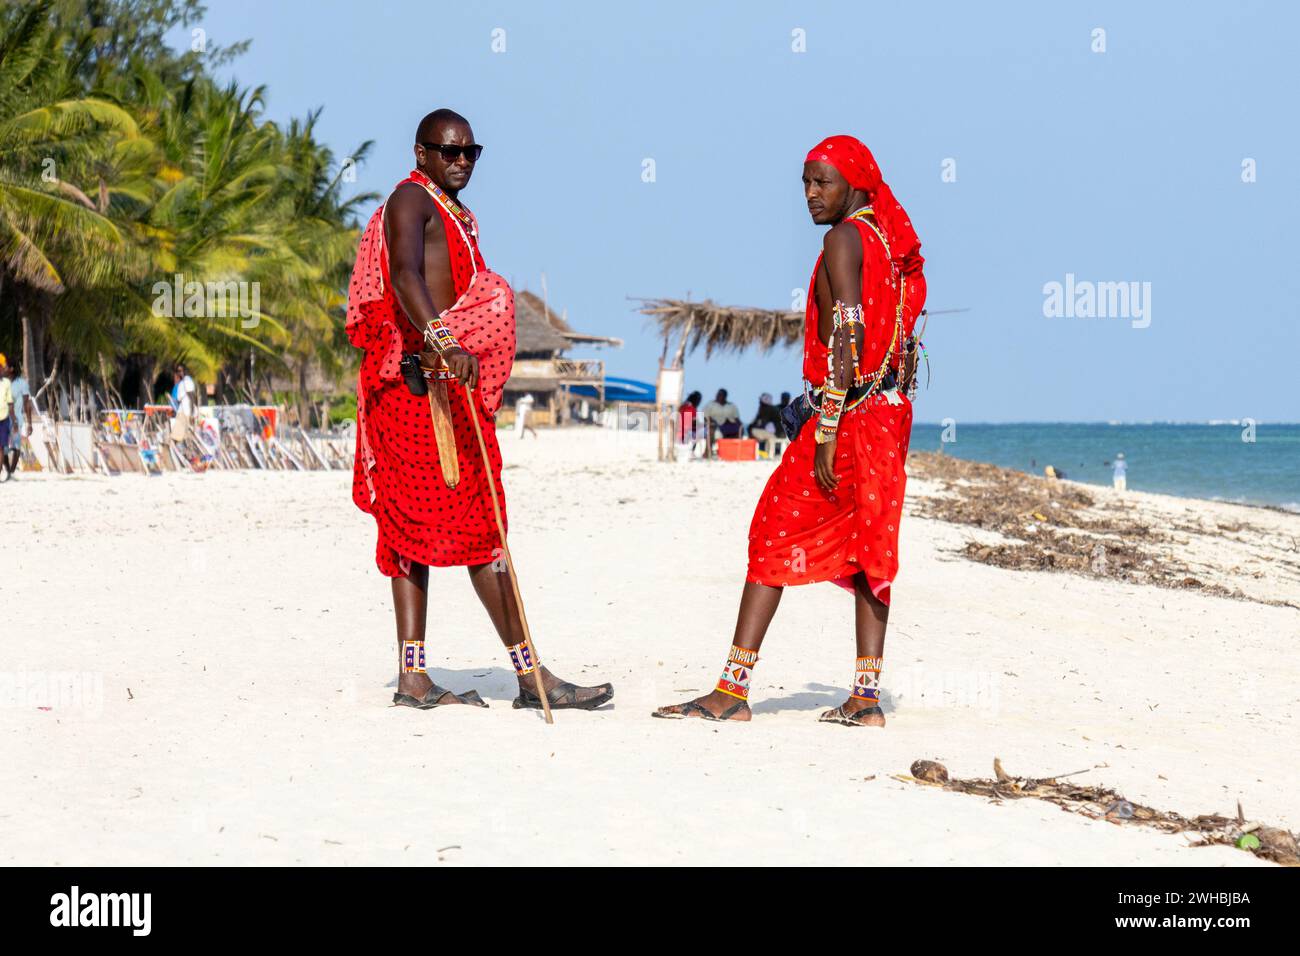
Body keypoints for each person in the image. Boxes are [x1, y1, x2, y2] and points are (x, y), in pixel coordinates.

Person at [655, 135, 926, 727]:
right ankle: (866, 698)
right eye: (804, 182)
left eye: (821, 182)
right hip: (887, 415)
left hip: (849, 416)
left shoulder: (843, 239)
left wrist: (825, 427)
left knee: (771, 534)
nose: (810, 194)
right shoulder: (887, 243)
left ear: (855, 184)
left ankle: (732, 689)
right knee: (869, 549)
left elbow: (849, 336)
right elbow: (897, 343)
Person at [346, 108, 612, 712]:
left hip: (448, 390)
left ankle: (440, 677)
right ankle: (520, 678)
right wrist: (445, 341)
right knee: (457, 531)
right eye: (449, 151)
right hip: (417, 393)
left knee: (453, 530)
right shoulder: (409, 204)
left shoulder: (450, 209)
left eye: (471, 152)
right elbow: (407, 277)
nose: (461, 161)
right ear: (421, 153)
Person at [4, 359, 33, 478]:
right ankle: (8, 471)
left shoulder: (22, 383)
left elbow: (27, 404)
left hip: (17, 419)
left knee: (15, 446)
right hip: (3, 419)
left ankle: (11, 472)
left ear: (11, 369)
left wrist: (29, 423)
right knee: (3, 446)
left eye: (5, 367)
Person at [169, 364, 196, 443]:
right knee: (183, 436)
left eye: (180, 371)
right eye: (178, 371)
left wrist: (191, 412)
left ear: (185, 371)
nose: (179, 373)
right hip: (184, 410)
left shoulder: (186, 382)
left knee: (177, 436)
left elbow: (190, 397)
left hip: (185, 411)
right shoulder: (185, 382)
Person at [0, 356, 12, 481]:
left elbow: (10, 403)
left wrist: (14, 420)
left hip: (4, 419)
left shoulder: (7, 383)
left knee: (2, 447)